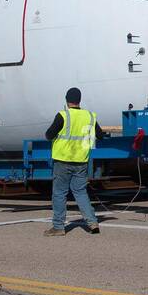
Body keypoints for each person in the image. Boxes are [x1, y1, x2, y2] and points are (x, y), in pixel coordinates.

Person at [44, 87, 108, 236]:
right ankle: (92, 223)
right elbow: (100, 135)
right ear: (79, 100)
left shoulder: (62, 115)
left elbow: (49, 135)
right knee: (80, 192)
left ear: (66, 100)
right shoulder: (90, 116)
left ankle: (58, 227)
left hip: (63, 160)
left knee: (59, 194)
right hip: (81, 161)